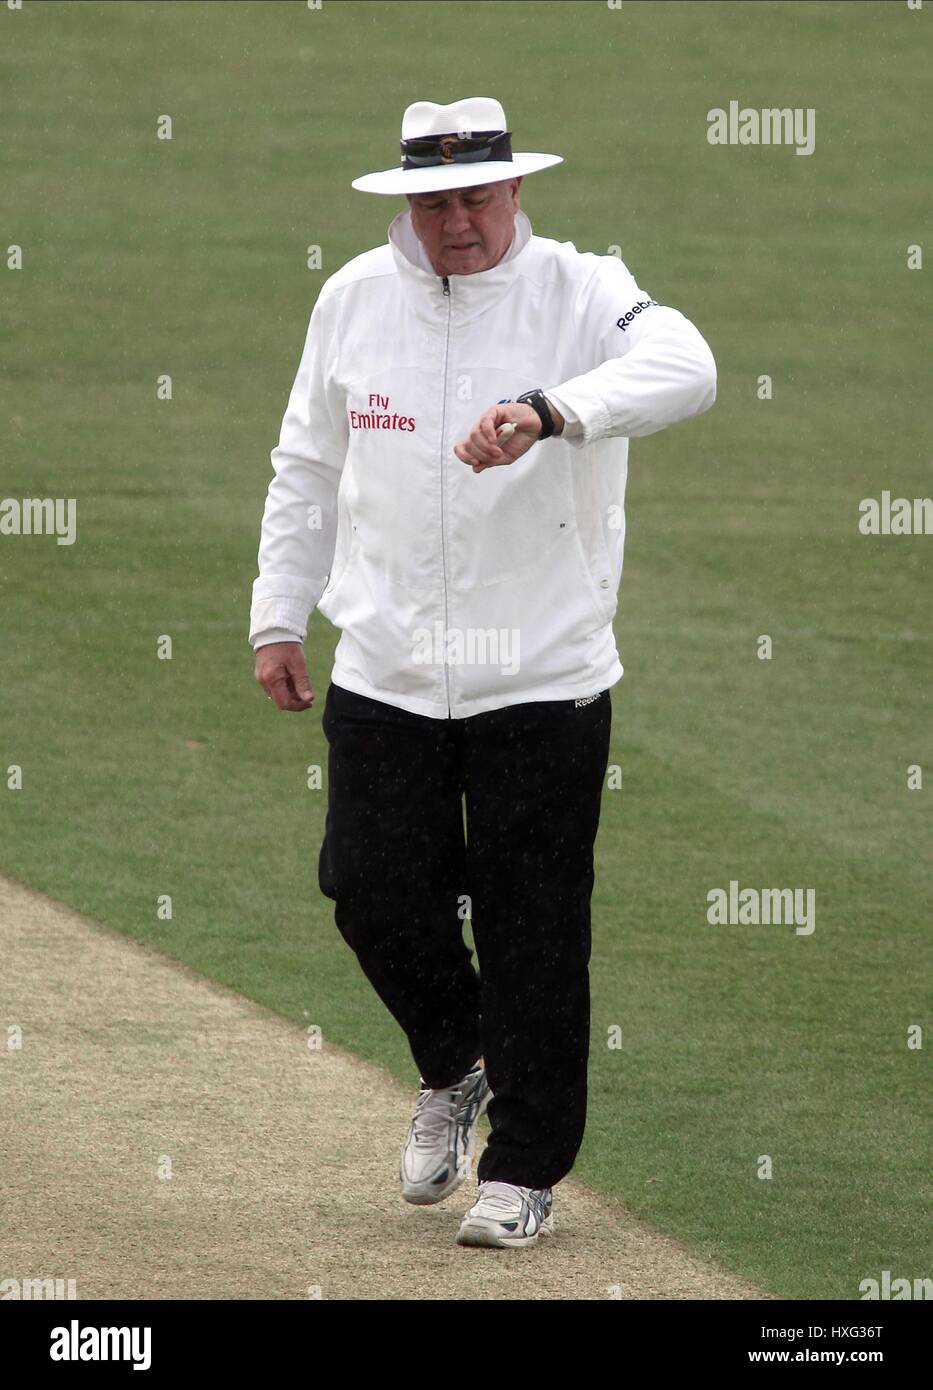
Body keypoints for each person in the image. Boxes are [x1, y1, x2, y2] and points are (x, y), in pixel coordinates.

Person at [250, 96, 716, 1250]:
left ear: (515, 190)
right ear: (408, 202)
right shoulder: (352, 297)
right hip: (387, 668)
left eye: (477, 197)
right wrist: (278, 615)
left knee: (533, 926)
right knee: (368, 889)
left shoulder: (582, 287)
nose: (457, 221)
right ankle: (456, 1061)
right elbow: (306, 464)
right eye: (436, 202)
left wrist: (554, 411)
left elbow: (689, 366)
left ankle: (523, 1168)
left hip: (541, 676)